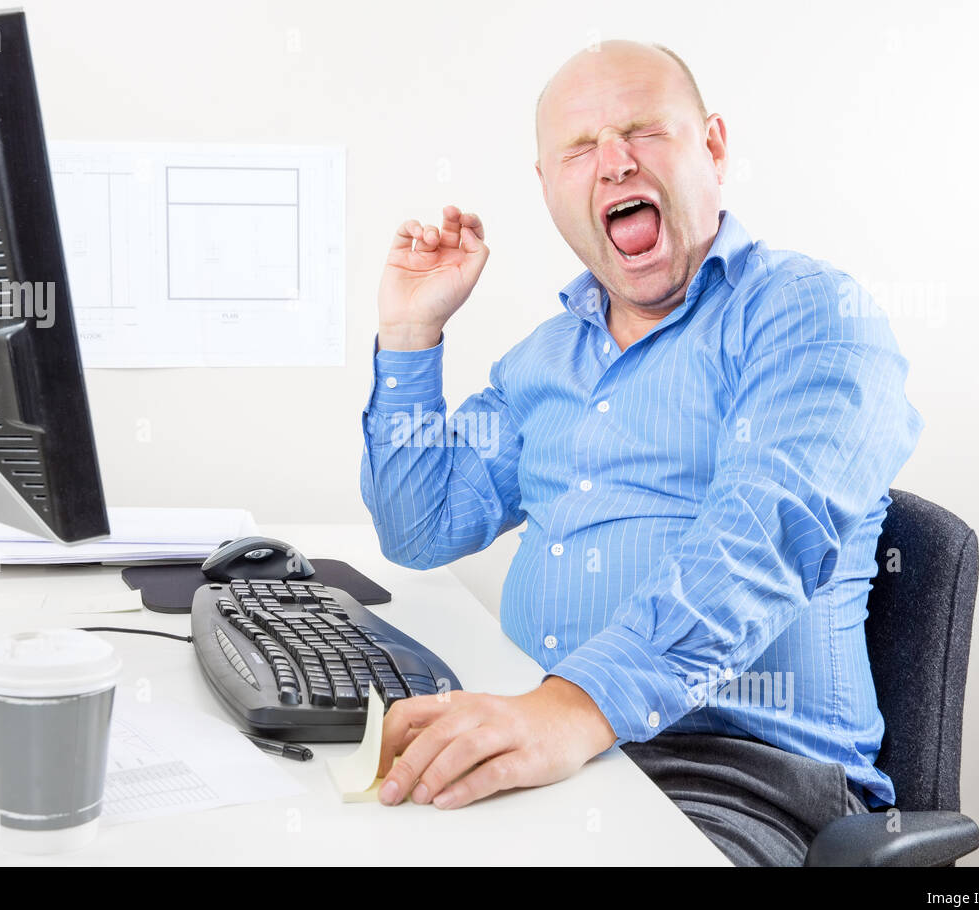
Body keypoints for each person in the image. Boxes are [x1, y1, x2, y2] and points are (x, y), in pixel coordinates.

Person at [359, 39, 923, 866]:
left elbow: (765, 533)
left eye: (644, 131)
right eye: (580, 149)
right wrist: (411, 336)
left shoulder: (809, 315)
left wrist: (575, 705)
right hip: (562, 746)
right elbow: (421, 525)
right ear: (549, 188)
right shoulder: (545, 360)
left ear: (715, 146)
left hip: (736, 777)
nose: (615, 163)